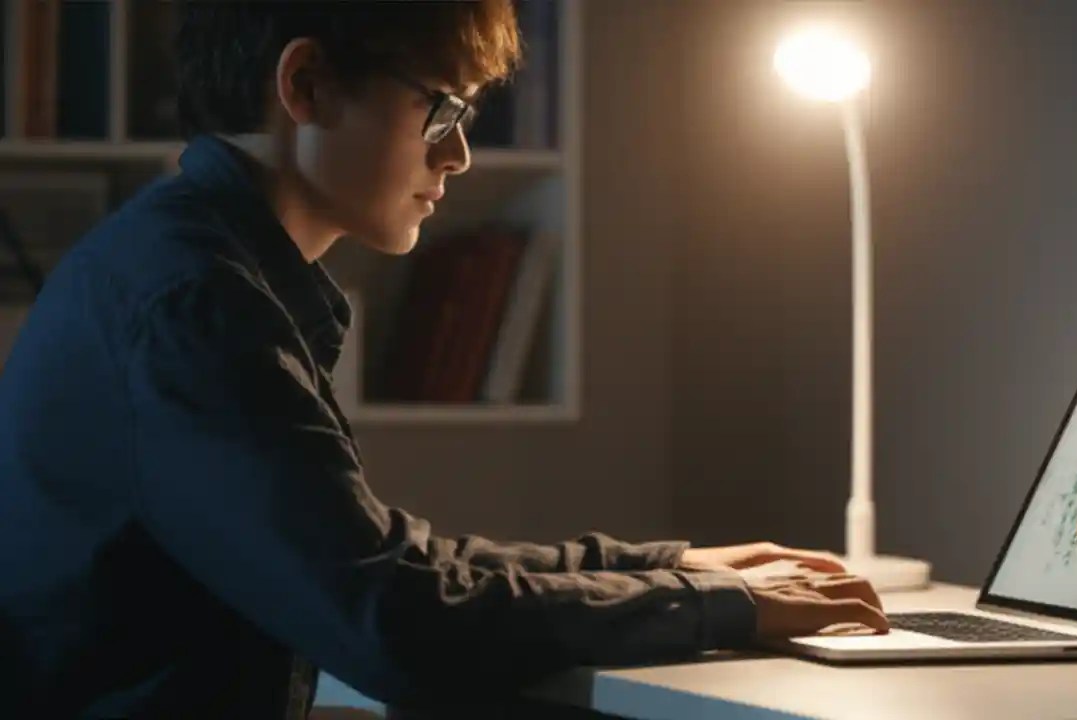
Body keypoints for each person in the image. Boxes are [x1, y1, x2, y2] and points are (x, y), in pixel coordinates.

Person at [0, 2, 887, 718]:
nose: (458, 153)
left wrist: (669, 565)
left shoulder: (189, 263)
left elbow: (390, 564)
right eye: (444, 108)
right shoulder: (197, 307)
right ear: (305, 84)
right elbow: (397, 622)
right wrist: (713, 605)